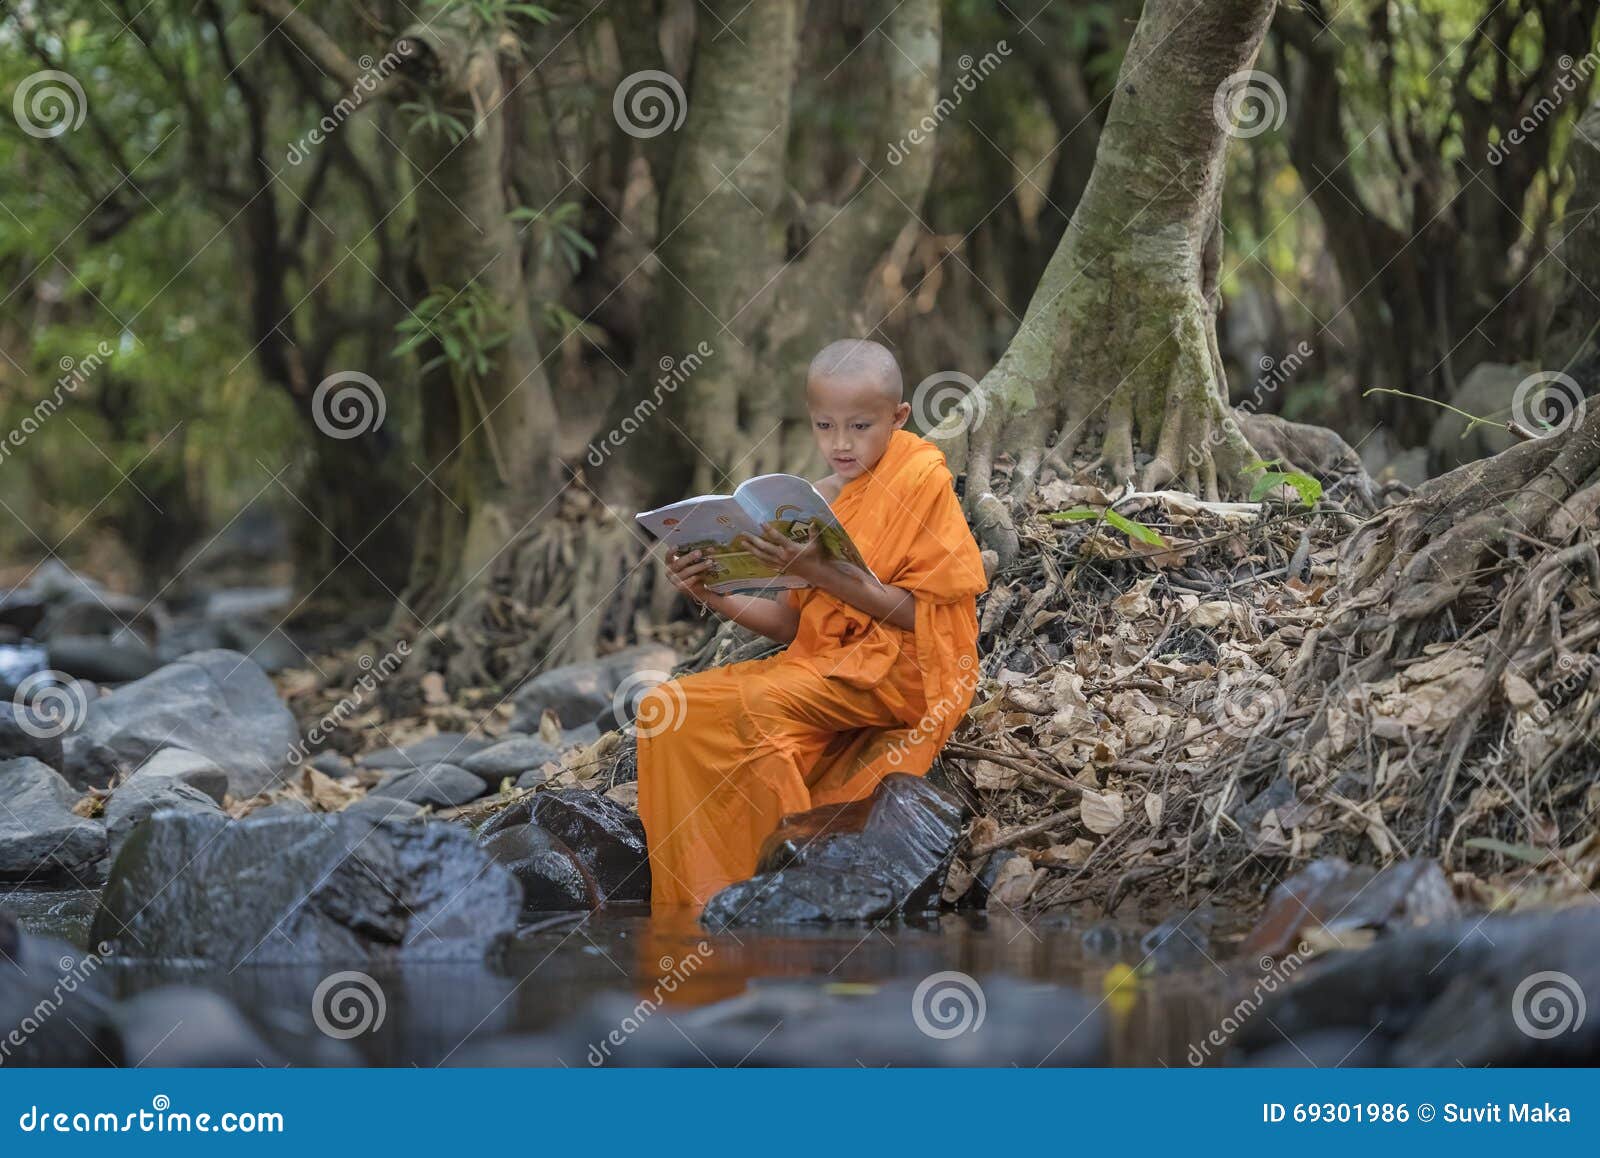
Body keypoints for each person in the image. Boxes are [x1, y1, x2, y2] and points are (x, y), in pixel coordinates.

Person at [635, 338, 988, 909]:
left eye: (860, 426)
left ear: (898, 418)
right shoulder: (810, 503)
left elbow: (926, 617)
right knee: (665, 709)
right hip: (823, 669)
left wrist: (822, 573)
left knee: (751, 713)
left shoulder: (920, 479)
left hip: (904, 672)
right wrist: (712, 592)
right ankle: (700, 901)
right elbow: (795, 629)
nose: (840, 443)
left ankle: (778, 889)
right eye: (825, 426)